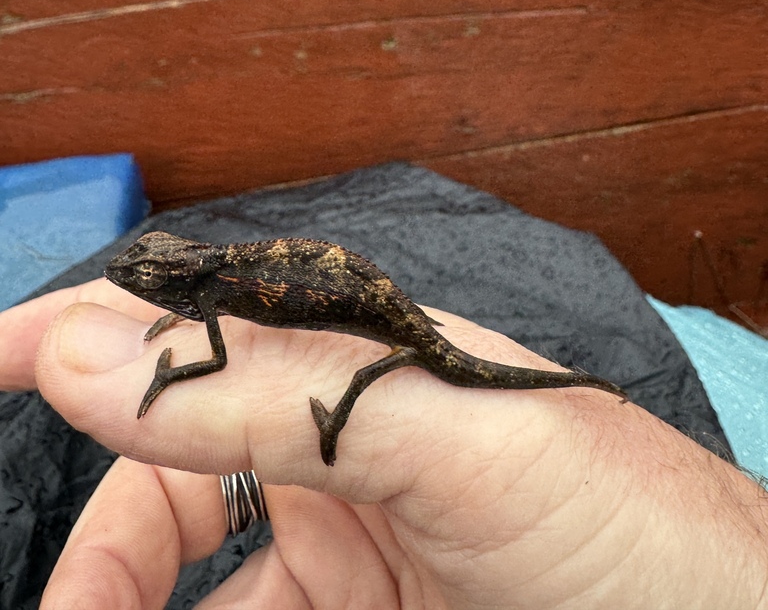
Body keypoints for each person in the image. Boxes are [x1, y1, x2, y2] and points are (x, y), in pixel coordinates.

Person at [0, 276, 766, 610]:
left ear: (178, 284)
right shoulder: (209, 289)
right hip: (382, 318)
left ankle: (338, 422)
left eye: (151, 279)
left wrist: (164, 375)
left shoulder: (212, 295)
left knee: (381, 370)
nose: (138, 283)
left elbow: (218, 357)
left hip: (388, 331)